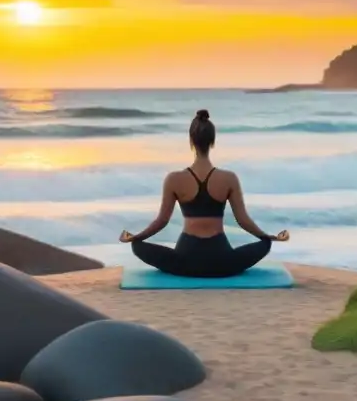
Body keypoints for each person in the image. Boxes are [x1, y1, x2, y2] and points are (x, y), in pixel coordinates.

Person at [119, 109, 289, 277]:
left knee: (137, 246)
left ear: (191, 141)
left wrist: (137, 237)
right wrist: (267, 237)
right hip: (221, 261)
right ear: (212, 142)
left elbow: (162, 221)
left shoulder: (174, 179)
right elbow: (242, 220)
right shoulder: (229, 178)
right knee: (265, 244)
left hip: (185, 260)